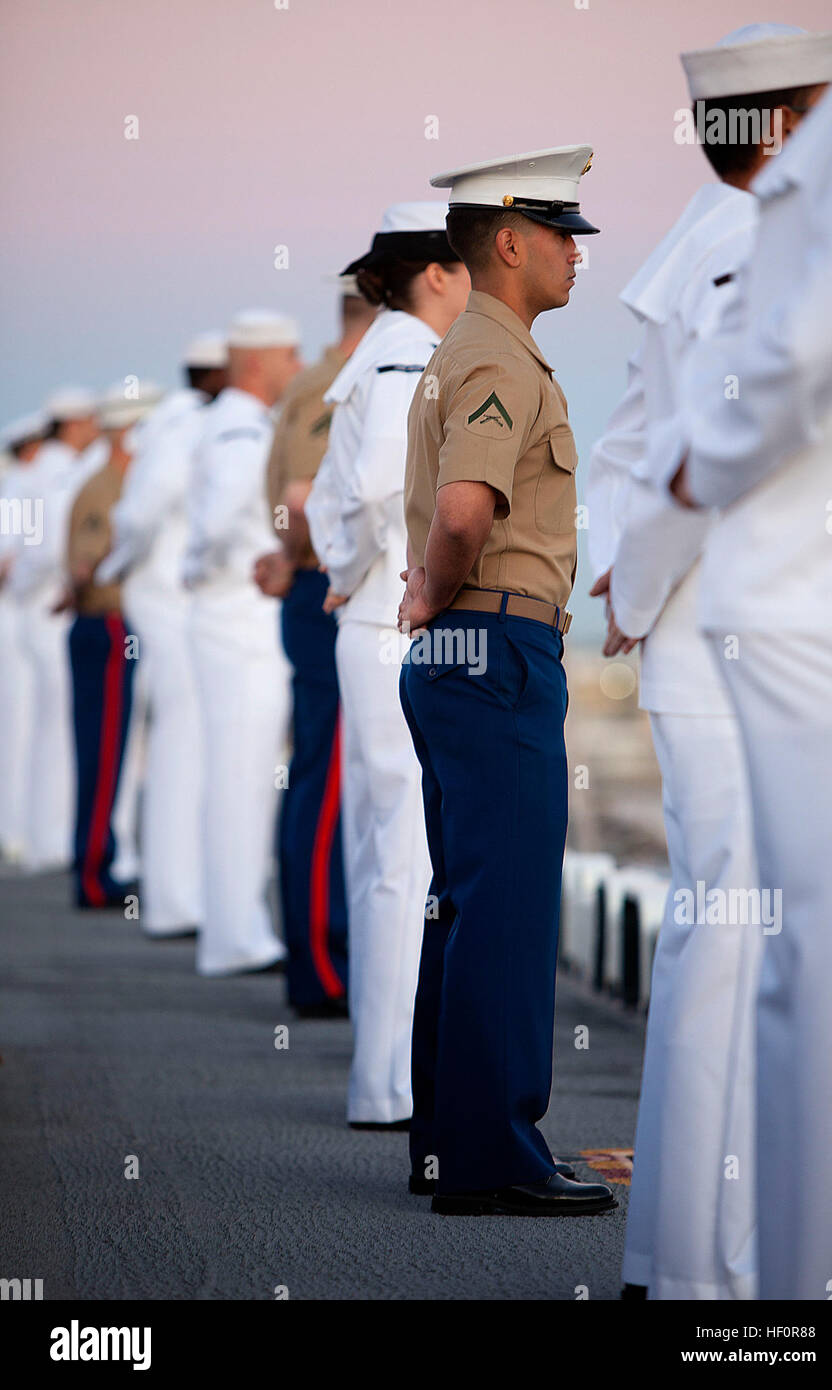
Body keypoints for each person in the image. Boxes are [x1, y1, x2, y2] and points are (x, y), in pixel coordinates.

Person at [585, 24, 832, 1299]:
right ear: (792, 130)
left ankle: (681, 1253)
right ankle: (718, 1275)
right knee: (749, 941)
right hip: (742, 620)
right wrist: (634, 587)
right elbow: (699, 441)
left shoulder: (699, 239)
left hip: (703, 614)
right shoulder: (755, 244)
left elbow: (634, 445)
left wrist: (627, 581)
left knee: (722, 934)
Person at [668, 42, 832, 1301]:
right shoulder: (796, 182)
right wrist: (711, 460)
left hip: (799, 593)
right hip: (807, 601)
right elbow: (798, 349)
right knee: (822, 964)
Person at [398, 148, 615, 1215]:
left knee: (463, 902)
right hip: (490, 648)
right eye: (563, 233)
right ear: (511, 242)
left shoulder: (473, 350)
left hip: (464, 653)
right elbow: (463, 513)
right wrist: (434, 596)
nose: (577, 251)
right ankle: (490, 1154)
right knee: (506, 906)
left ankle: (448, 1139)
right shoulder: (495, 358)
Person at [305, 205, 469, 1128]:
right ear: (438, 271)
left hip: (366, 614)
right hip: (390, 619)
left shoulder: (382, 344)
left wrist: (340, 567)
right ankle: (397, 1084)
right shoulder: (410, 353)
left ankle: (383, 1081)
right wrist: (367, 568)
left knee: (384, 861)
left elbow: (338, 491)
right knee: (403, 856)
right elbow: (372, 482)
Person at [254, 282, 377, 1017]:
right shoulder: (336, 382)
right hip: (324, 591)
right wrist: (297, 552)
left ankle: (323, 956)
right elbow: (302, 497)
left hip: (315, 586)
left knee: (328, 774)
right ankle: (321, 965)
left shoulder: (322, 379)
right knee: (326, 778)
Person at [97, 334, 229, 938]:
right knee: (182, 744)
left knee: (188, 745)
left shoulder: (188, 423)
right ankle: (176, 898)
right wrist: (119, 565)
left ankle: (184, 893)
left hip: (178, 602)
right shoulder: (181, 430)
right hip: (170, 603)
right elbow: (140, 514)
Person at [184, 310, 300, 977]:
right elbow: (224, 512)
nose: (294, 367)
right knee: (241, 777)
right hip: (238, 612)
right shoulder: (239, 423)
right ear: (258, 362)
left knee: (244, 776)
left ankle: (236, 928)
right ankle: (234, 936)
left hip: (233, 612)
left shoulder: (236, 419)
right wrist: (221, 566)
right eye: (287, 356)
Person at [60, 381, 161, 907]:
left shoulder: (104, 480)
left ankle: (95, 860)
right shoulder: (108, 486)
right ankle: (94, 870)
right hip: (108, 625)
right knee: (103, 752)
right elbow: (86, 565)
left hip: (98, 627)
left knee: (103, 750)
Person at [9, 388, 101, 870]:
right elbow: (43, 549)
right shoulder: (61, 470)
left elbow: (17, 550)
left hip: (33, 607)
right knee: (61, 727)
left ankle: (41, 835)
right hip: (53, 606)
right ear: (73, 423)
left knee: (43, 728)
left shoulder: (34, 471)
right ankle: (55, 838)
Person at [0, 412, 47, 864]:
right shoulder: (24, 488)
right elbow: (10, 561)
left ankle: (20, 828)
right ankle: (14, 829)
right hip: (15, 615)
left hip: (20, 614)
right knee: (17, 729)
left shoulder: (22, 484)